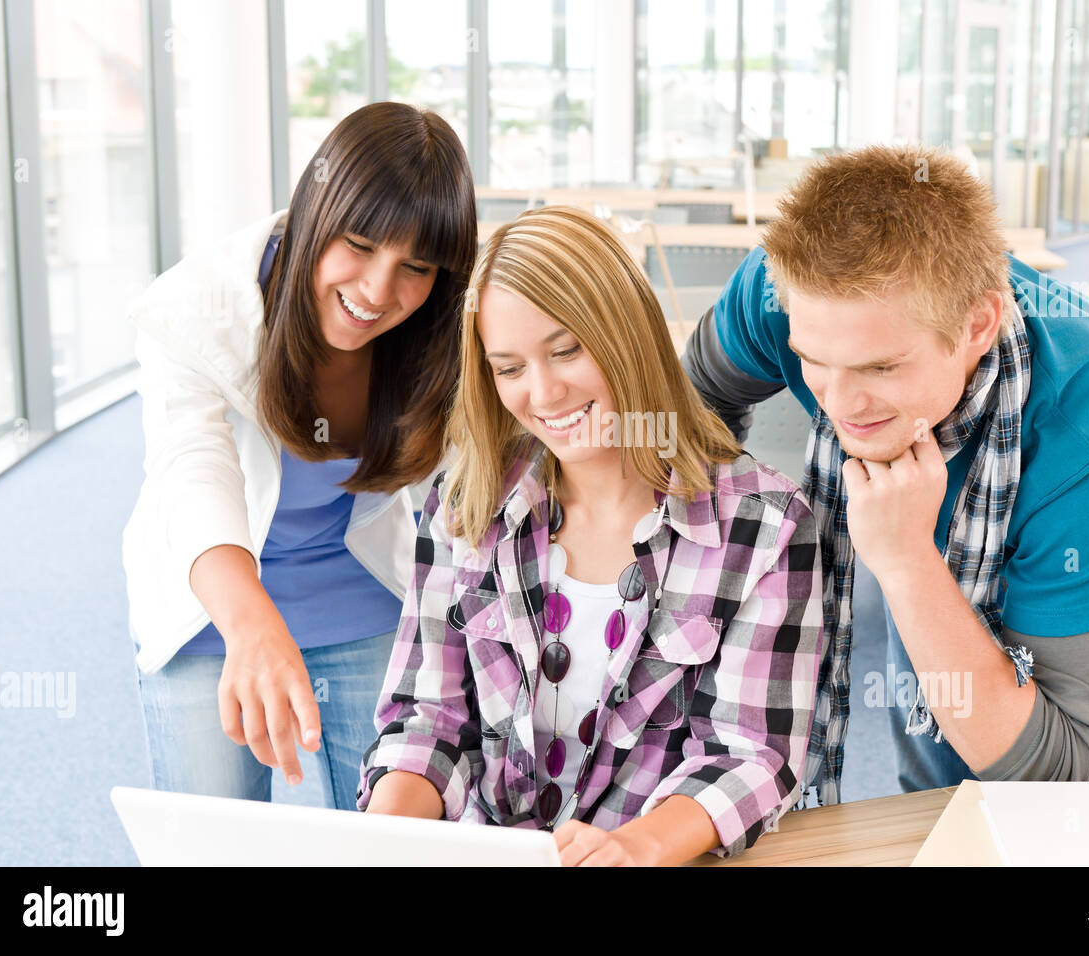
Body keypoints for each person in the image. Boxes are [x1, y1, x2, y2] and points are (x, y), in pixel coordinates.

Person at [681, 144, 1089, 801]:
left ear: (979, 324)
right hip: (925, 518)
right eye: (813, 361)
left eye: (880, 367)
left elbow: (1060, 771)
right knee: (935, 792)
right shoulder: (777, 293)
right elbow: (690, 406)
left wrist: (903, 561)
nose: (839, 407)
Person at [358, 205, 824, 865]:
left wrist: (628, 849)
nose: (543, 393)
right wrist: (382, 840)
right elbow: (427, 720)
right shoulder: (465, 505)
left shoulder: (764, 525)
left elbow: (748, 757)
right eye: (509, 367)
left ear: (624, 333)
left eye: (566, 350)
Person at [122, 102, 477, 810]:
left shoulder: (438, 335)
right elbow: (192, 469)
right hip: (214, 607)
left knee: (397, 848)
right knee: (211, 856)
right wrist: (249, 622)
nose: (378, 292)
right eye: (359, 243)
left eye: (416, 266)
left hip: (361, 597)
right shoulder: (195, 306)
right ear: (314, 210)